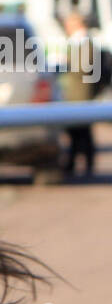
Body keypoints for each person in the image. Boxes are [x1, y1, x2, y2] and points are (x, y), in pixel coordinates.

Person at [59, 10, 98, 178]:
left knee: (81, 130)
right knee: (77, 130)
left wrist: (67, 63)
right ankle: (77, 162)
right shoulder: (76, 42)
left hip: (80, 93)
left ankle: (83, 163)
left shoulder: (85, 43)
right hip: (75, 93)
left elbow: (84, 68)